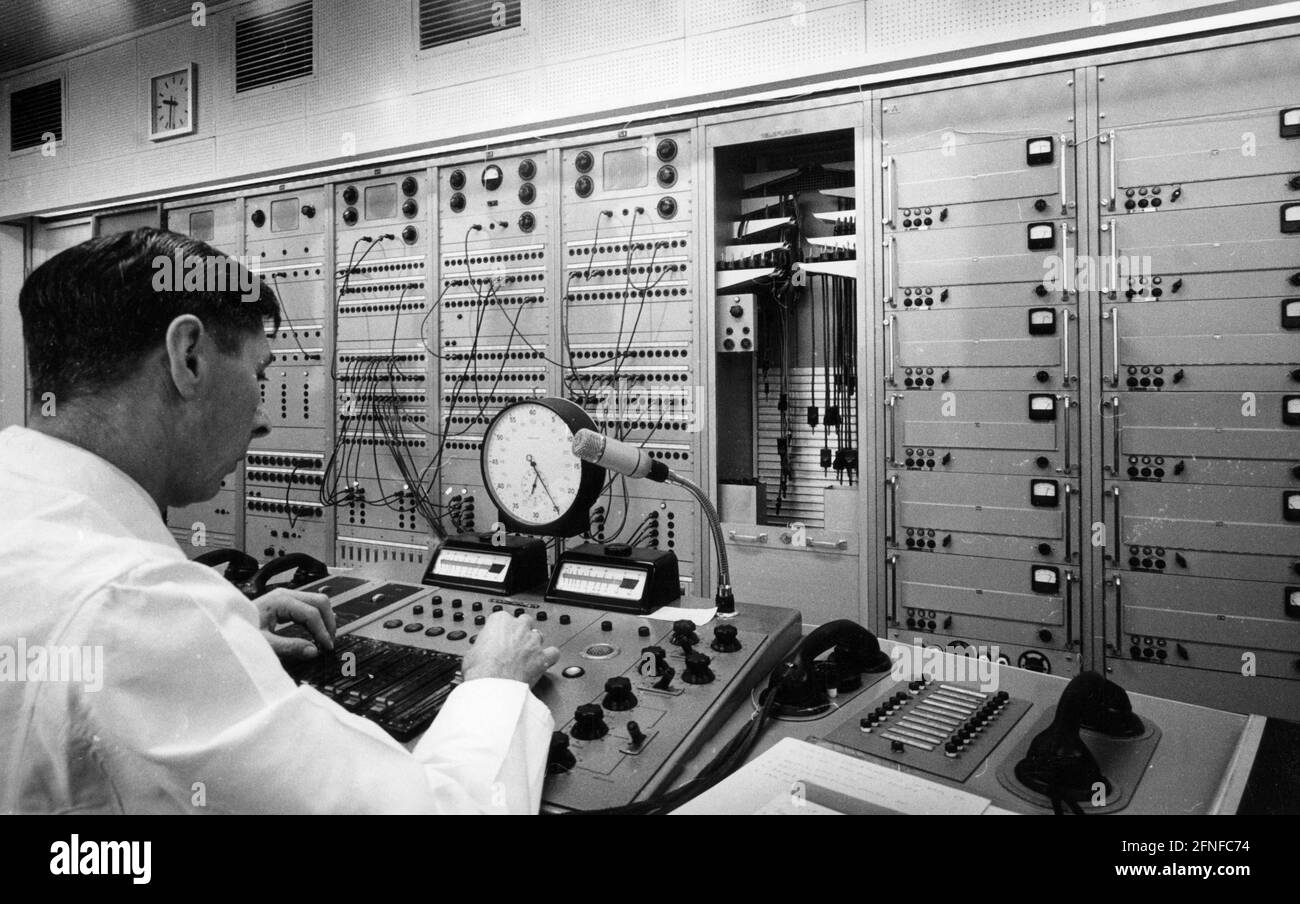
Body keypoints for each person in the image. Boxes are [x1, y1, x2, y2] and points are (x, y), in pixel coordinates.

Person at [0, 228, 560, 814]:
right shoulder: (135, 610)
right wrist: (496, 685)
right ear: (187, 357)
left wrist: (222, 633)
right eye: (259, 376)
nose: (264, 419)